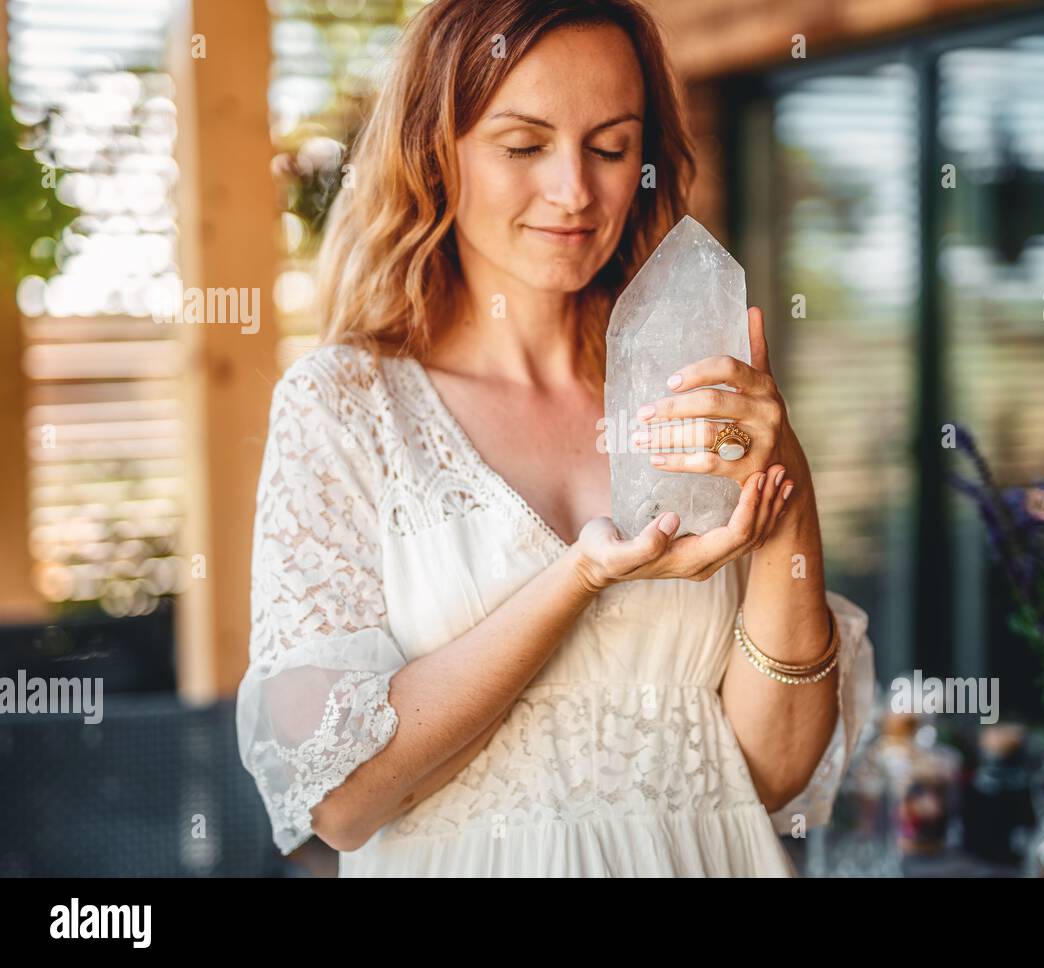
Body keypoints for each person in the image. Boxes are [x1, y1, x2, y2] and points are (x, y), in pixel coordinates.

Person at [236, 0, 875, 876]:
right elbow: (344, 803)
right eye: (524, 145)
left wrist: (786, 489)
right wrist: (578, 577)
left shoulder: (693, 392)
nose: (575, 190)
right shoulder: (346, 407)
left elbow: (768, 776)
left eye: (611, 146)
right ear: (436, 151)